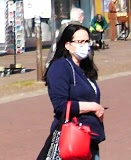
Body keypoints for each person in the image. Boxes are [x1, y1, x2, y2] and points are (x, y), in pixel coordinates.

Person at [37, 24, 104, 160]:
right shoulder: (60, 67)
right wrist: (93, 107)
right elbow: (61, 105)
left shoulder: (84, 67)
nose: (84, 46)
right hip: (73, 138)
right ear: (67, 45)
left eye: (87, 41)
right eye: (80, 42)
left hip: (90, 137)